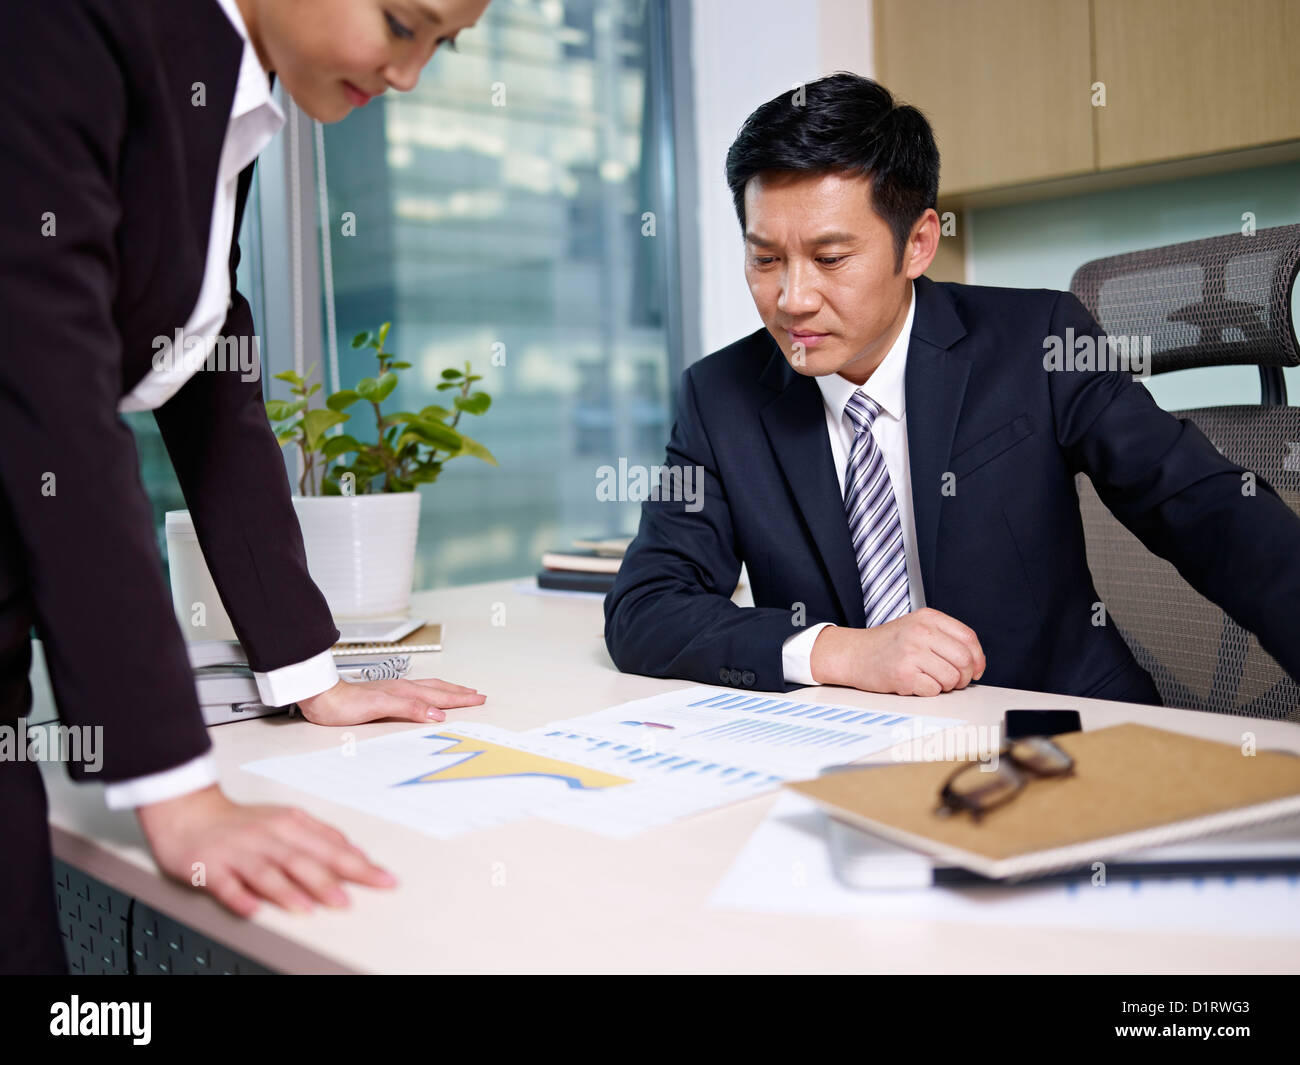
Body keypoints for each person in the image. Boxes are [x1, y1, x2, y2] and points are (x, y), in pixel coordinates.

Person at [0, 0, 491, 973]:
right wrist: (177, 791)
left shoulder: (224, 89)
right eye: (402, 23)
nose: (409, 76)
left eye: (445, 43)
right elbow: (47, 392)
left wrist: (308, 670)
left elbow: (207, 369)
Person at [605, 73, 1300, 703]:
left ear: (919, 244)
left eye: (830, 258)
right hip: (849, 753)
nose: (792, 299)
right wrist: (841, 651)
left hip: (1059, 734)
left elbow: (1207, 510)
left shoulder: (1038, 341)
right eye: (764, 259)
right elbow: (644, 608)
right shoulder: (720, 395)